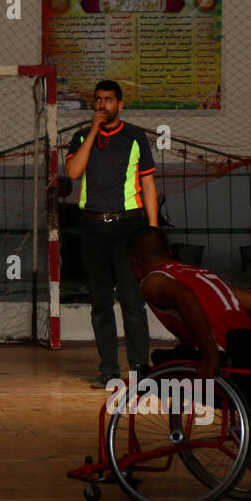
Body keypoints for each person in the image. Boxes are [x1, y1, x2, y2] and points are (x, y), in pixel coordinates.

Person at [64, 80, 158, 388]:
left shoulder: (134, 137)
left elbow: (148, 185)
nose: (102, 105)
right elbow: (74, 172)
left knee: (132, 300)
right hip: (92, 227)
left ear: (120, 104)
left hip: (128, 225)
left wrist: (153, 231)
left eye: (108, 100)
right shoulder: (80, 136)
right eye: (98, 100)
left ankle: (140, 368)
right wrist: (92, 132)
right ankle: (108, 370)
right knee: (100, 302)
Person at [125, 227, 251, 379]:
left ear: (135, 264)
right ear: (169, 253)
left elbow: (186, 298)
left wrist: (210, 355)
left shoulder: (152, 281)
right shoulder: (200, 274)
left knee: (154, 364)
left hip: (225, 359)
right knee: (178, 353)